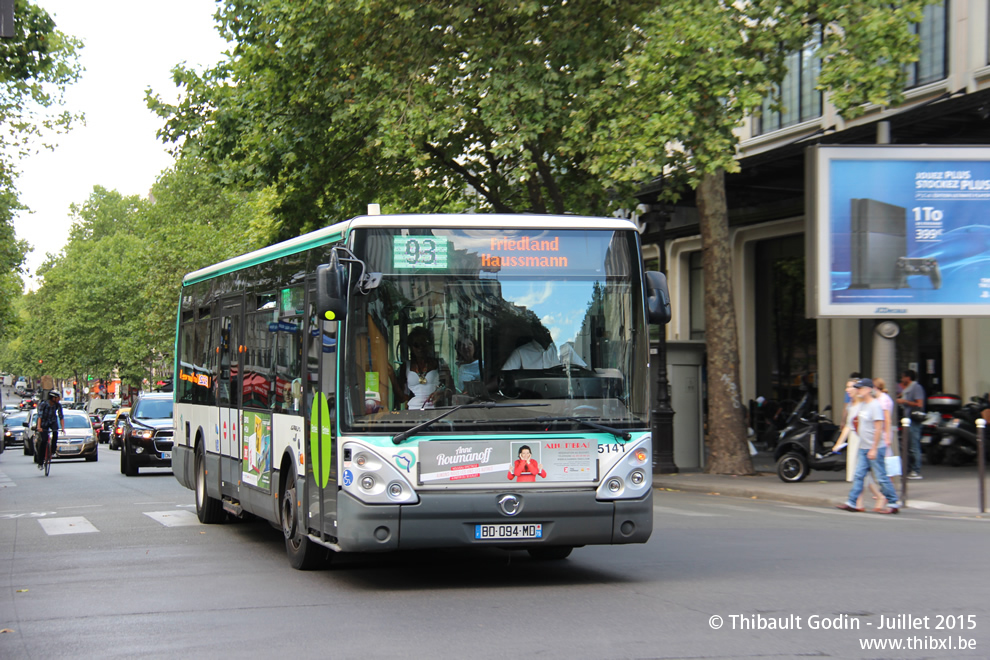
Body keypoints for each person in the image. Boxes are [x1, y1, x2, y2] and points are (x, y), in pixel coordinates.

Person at [837, 378, 900, 514]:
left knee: (881, 477)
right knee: (859, 475)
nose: (858, 390)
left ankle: (893, 502)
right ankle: (852, 502)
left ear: (868, 389)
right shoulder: (863, 405)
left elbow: (878, 428)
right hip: (864, 446)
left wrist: (874, 448)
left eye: (860, 388)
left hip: (875, 447)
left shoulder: (875, 405)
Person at [401, 327, 448, 409]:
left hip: (436, 410)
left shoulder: (439, 363)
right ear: (411, 347)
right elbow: (401, 396)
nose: (420, 348)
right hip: (413, 411)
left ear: (429, 345)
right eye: (416, 345)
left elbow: (451, 389)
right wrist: (390, 373)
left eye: (424, 344)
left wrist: (441, 393)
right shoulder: (406, 366)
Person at [895, 369, 925, 479]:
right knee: (907, 446)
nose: (902, 379)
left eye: (903, 377)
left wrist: (905, 402)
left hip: (914, 420)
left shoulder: (916, 387)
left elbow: (919, 403)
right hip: (906, 420)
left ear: (908, 378)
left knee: (914, 446)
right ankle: (909, 468)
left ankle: (916, 470)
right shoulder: (906, 389)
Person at [35, 389, 65, 468]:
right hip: (44, 423)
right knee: (43, 441)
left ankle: (53, 450)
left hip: (52, 421)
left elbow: (61, 416)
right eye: (58, 398)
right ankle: (40, 462)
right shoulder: (43, 404)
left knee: (55, 433)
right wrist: (39, 427)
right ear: (53, 398)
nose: (59, 399)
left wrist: (63, 428)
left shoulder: (58, 405)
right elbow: (40, 416)